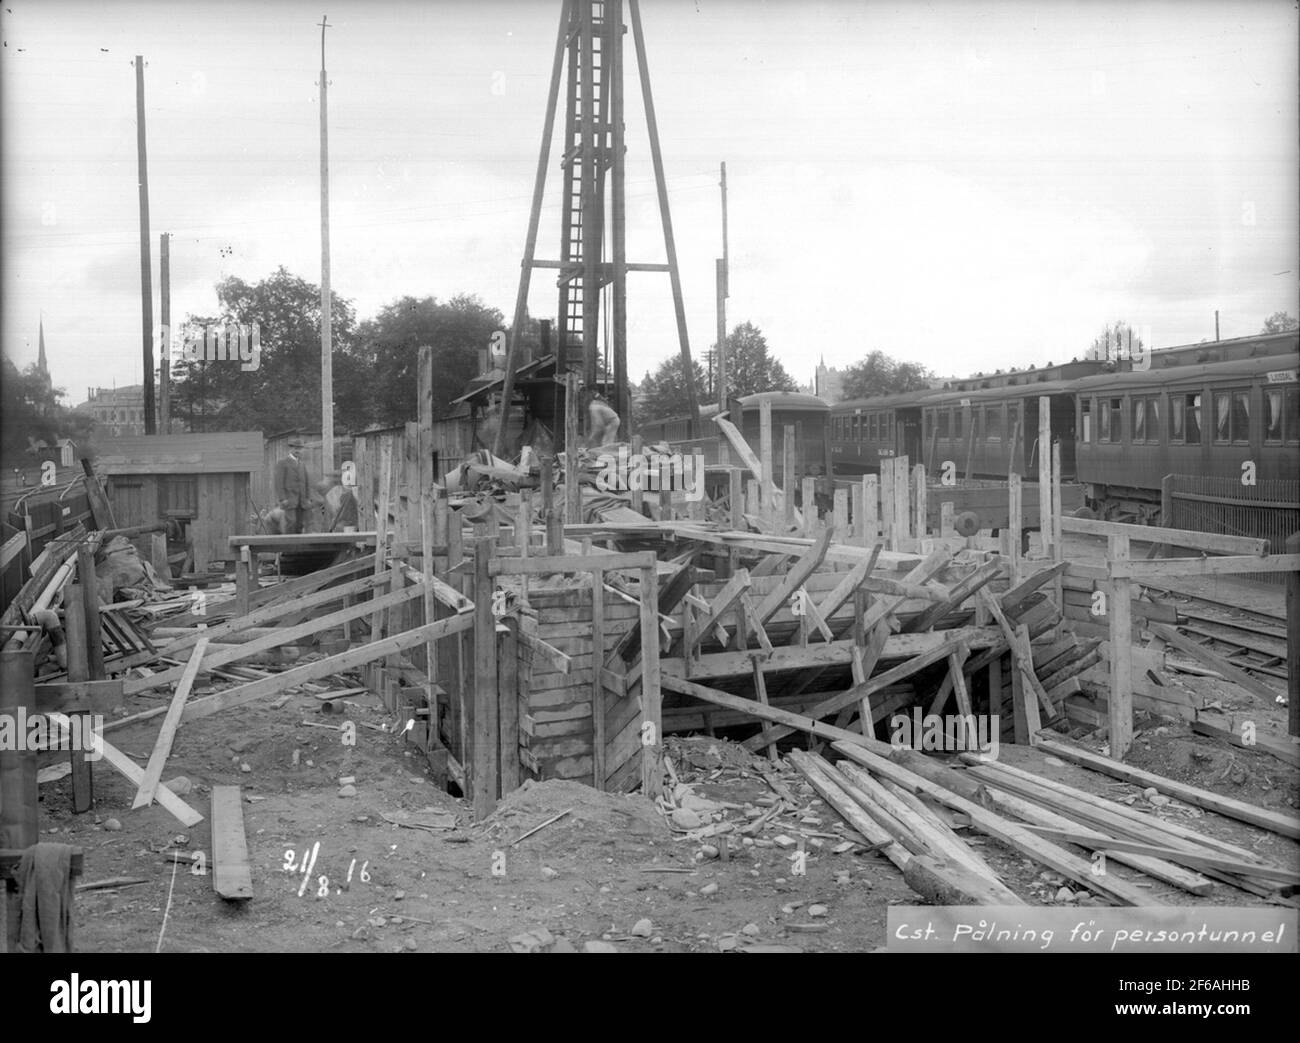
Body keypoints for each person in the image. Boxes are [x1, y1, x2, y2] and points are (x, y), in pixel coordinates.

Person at [272, 441, 313, 534]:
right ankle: (288, 546)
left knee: (300, 524)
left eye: (299, 448)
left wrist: (308, 498)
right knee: (291, 522)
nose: (297, 451)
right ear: (290, 449)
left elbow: (307, 483)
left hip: (302, 500)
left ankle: (298, 547)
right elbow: (279, 482)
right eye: (295, 448)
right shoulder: (283, 463)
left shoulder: (302, 464)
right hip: (289, 499)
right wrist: (282, 498)